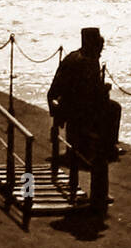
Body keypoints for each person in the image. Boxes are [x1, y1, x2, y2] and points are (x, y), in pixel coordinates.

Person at [47, 27, 121, 212]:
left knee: (113, 108)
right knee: (111, 114)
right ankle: (108, 145)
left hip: (74, 106)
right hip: (77, 110)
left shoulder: (78, 57)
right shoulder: (84, 63)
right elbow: (87, 93)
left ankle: (109, 144)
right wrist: (104, 89)